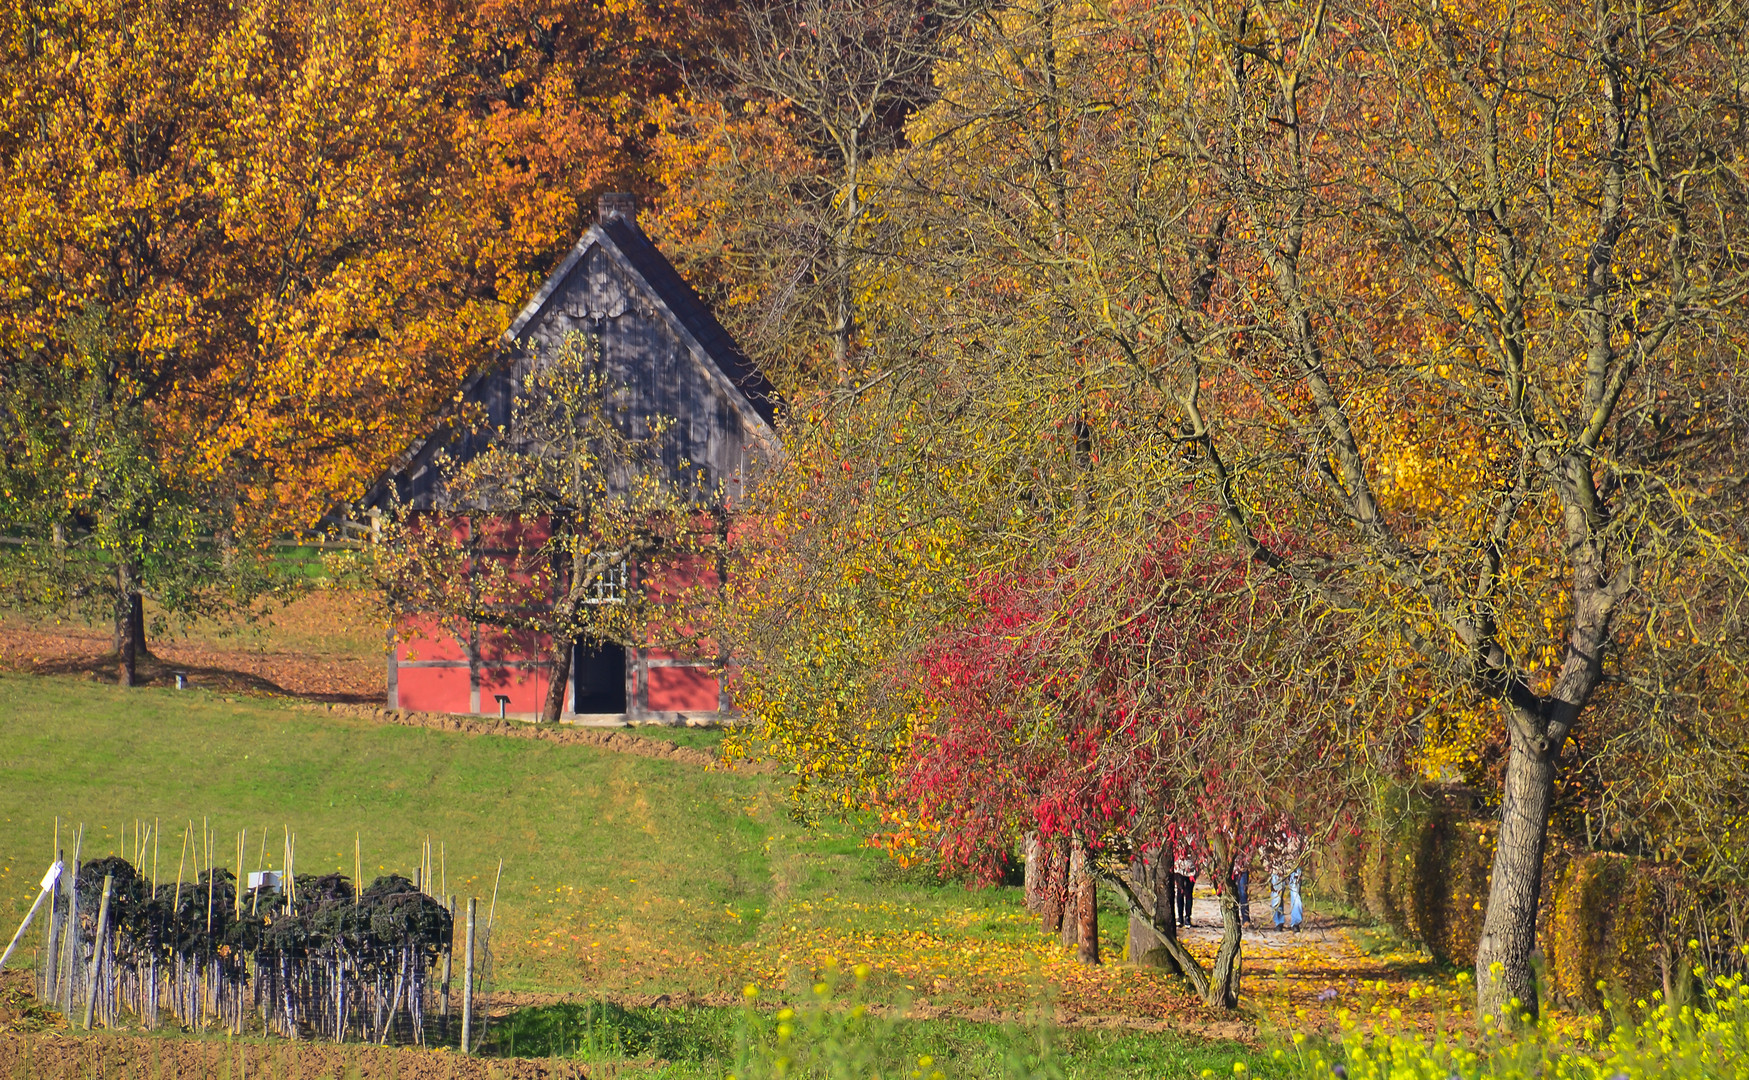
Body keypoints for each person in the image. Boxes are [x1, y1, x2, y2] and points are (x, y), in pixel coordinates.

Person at [1264, 827, 1304, 932]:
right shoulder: (1272, 831)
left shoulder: (1297, 830)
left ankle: (1295, 923)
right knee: (1276, 896)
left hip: (1294, 865)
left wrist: (1301, 859)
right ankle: (1278, 922)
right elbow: (1264, 847)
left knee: (1296, 894)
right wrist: (1267, 863)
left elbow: (1305, 845)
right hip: (1277, 867)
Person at [1173, 843, 1199, 928]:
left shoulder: (1196, 836)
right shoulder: (1178, 836)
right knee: (1180, 893)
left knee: (1188, 894)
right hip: (1179, 869)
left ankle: (1187, 917)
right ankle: (1180, 917)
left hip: (1191, 870)